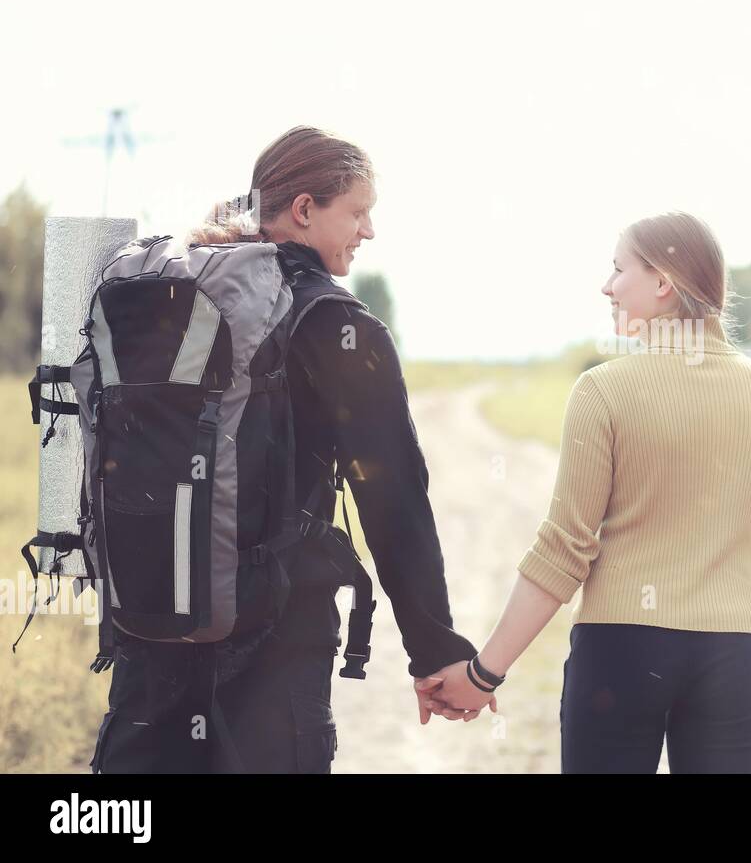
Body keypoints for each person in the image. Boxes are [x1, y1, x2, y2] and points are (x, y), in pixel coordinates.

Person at [91, 126, 483, 774]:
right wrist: (435, 649)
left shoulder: (171, 289)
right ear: (304, 209)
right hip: (277, 634)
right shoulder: (336, 321)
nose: (369, 231)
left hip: (152, 621)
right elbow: (392, 501)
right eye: (358, 212)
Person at [417, 211, 751, 773]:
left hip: (620, 653)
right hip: (731, 658)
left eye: (618, 269)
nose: (607, 286)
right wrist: (749, 675)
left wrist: (483, 675)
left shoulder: (603, 391)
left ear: (663, 283)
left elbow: (565, 549)